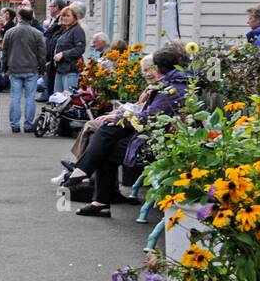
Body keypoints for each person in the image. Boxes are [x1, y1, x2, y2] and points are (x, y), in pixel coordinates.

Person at [62, 43, 191, 217]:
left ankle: (88, 181)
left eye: (155, 67)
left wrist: (120, 117)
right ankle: (89, 183)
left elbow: (147, 119)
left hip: (158, 141)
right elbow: (146, 115)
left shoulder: (171, 89)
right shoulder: (169, 85)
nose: (152, 71)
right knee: (107, 132)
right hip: (154, 134)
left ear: (163, 68)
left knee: (106, 140)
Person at [0, 7, 46, 133]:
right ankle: (28, 124)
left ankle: (14, 124)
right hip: (31, 69)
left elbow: (4, 52)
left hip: (14, 68)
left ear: (19, 17)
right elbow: (41, 54)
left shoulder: (10, 32)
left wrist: (4, 67)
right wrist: (42, 68)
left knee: (15, 97)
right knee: (30, 97)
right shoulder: (37, 33)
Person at [51, 5, 87, 93]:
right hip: (60, 68)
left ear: (75, 18)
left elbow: (80, 49)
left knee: (68, 98)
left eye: (68, 16)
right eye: (63, 15)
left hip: (70, 69)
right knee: (58, 98)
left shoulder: (77, 30)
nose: (65, 18)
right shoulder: (65, 30)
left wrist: (63, 54)